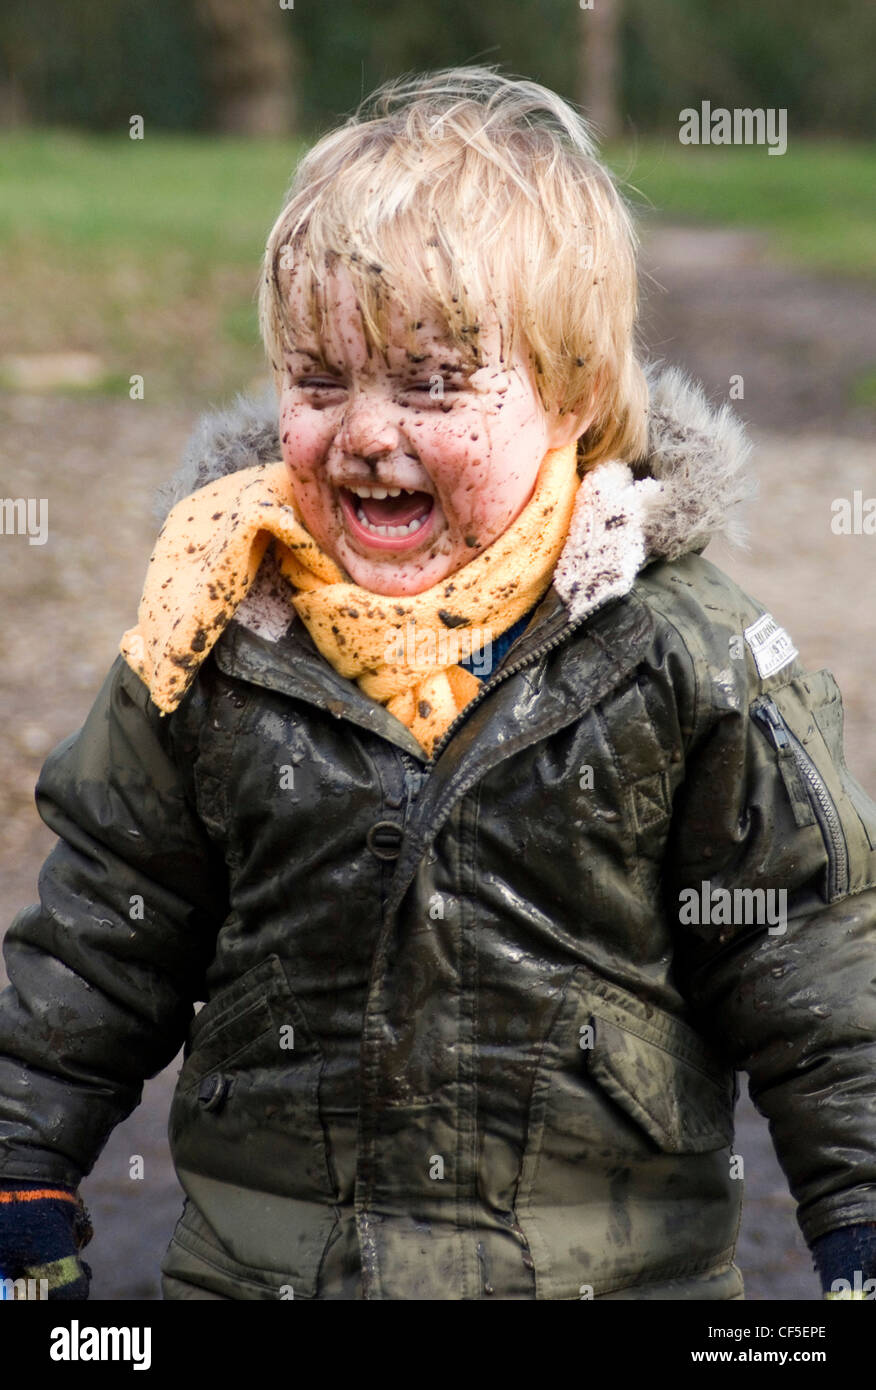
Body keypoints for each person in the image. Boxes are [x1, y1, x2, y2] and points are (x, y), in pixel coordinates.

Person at [1, 65, 875, 1302]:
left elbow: (810, 953)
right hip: (270, 1273)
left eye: (430, 382)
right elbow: (104, 927)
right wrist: (19, 1161)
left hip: (610, 1279)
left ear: (572, 397)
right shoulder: (217, 631)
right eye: (318, 379)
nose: (364, 432)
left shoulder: (678, 650)